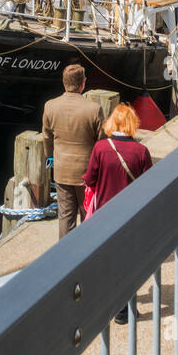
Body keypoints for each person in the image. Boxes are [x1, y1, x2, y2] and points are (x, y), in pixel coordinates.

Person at [82, 104, 154, 324]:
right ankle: (124, 310)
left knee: (107, 259)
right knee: (128, 262)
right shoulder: (141, 152)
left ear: (112, 122)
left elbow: (90, 179)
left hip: (105, 211)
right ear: (133, 124)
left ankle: (106, 303)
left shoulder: (101, 148)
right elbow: (149, 184)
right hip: (131, 213)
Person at [42, 64, 103, 238]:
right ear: (83, 84)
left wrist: (51, 157)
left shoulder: (50, 106)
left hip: (62, 172)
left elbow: (47, 137)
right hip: (87, 173)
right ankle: (87, 254)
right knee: (89, 215)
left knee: (66, 218)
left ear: (64, 83)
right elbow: (102, 142)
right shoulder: (94, 109)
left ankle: (65, 257)